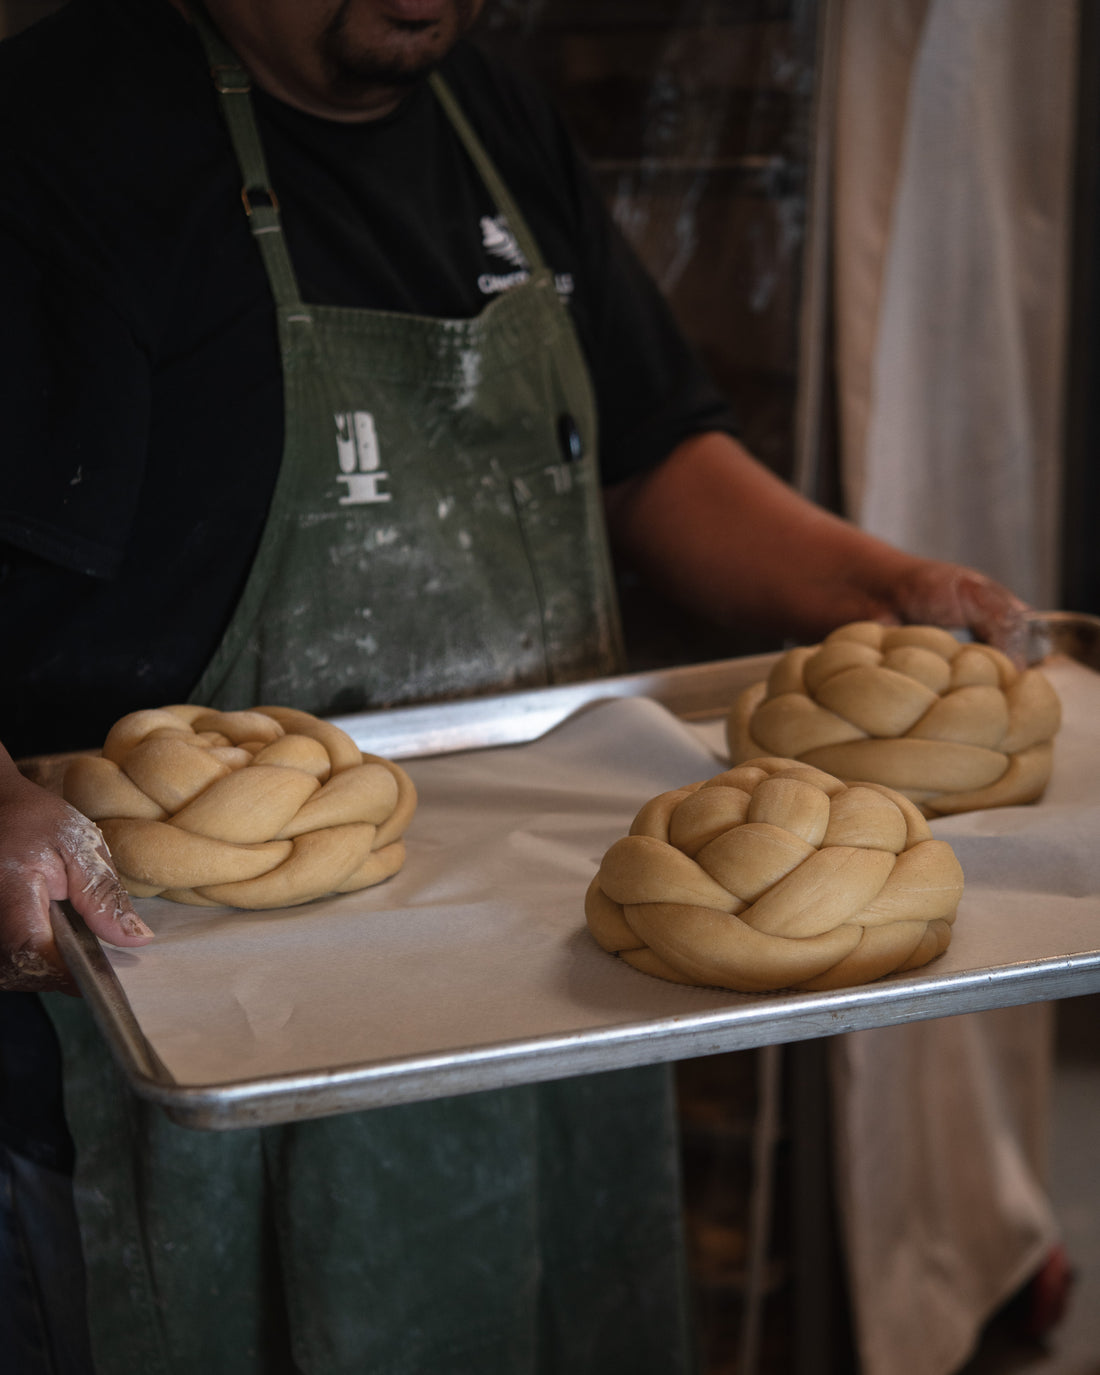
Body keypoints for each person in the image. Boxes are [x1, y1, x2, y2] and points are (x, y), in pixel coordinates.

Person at [0, 1, 1038, 1372]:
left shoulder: (491, 117)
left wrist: (877, 587)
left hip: (526, 969)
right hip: (166, 999)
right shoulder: (59, 131)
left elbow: (656, 451)